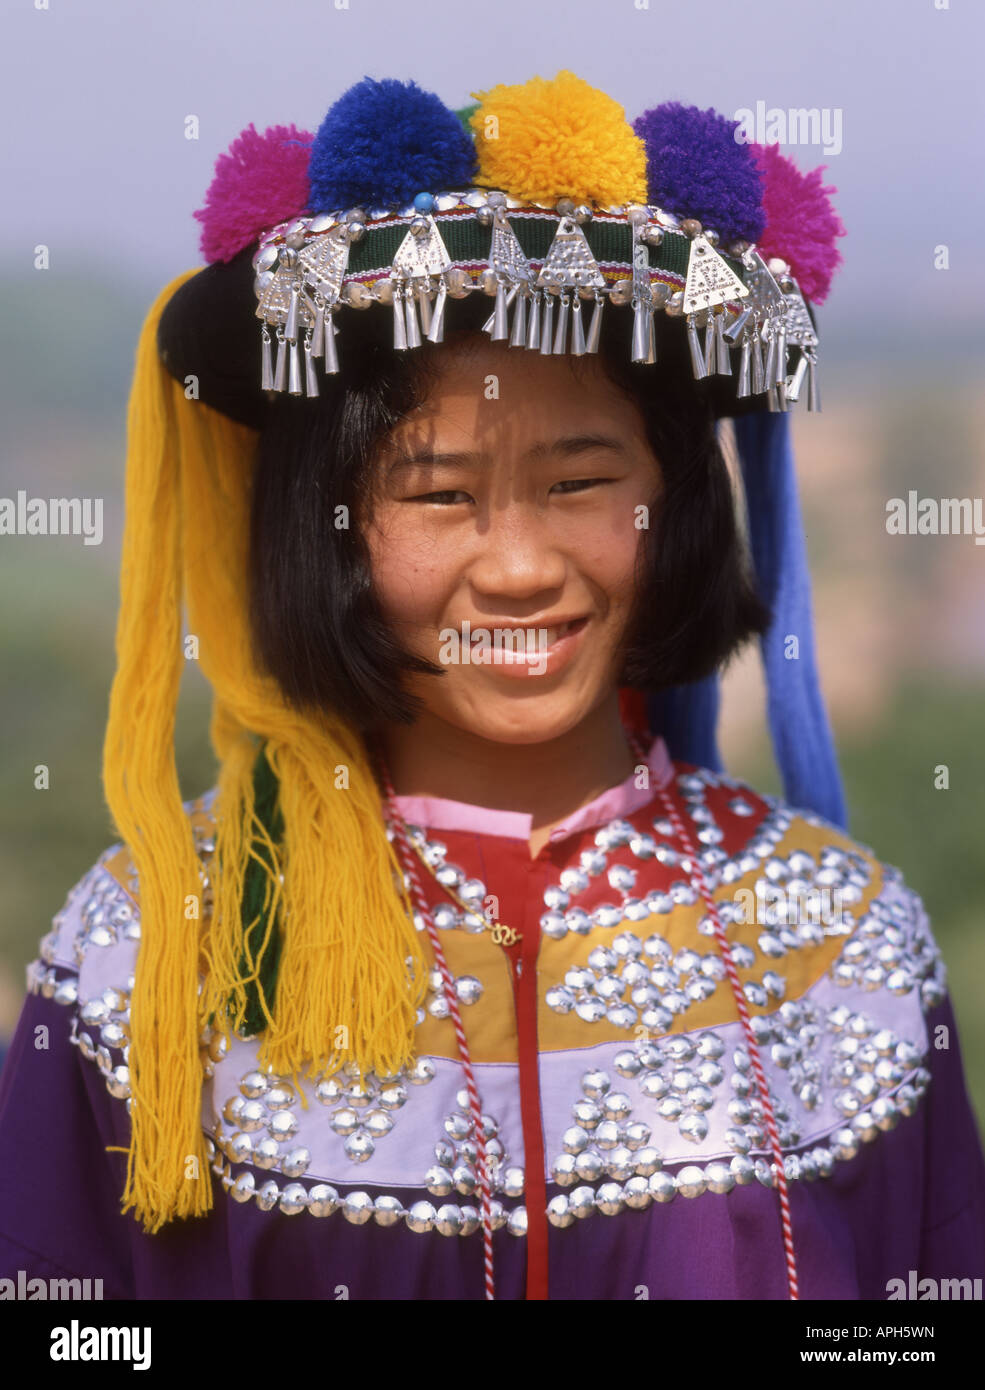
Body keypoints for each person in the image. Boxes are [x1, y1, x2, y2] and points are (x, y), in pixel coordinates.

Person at [1, 71, 982, 1302]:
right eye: (440, 494)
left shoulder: (842, 941)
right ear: (331, 529)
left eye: (580, 485)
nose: (520, 568)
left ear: (671, 507)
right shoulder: (149, 951)